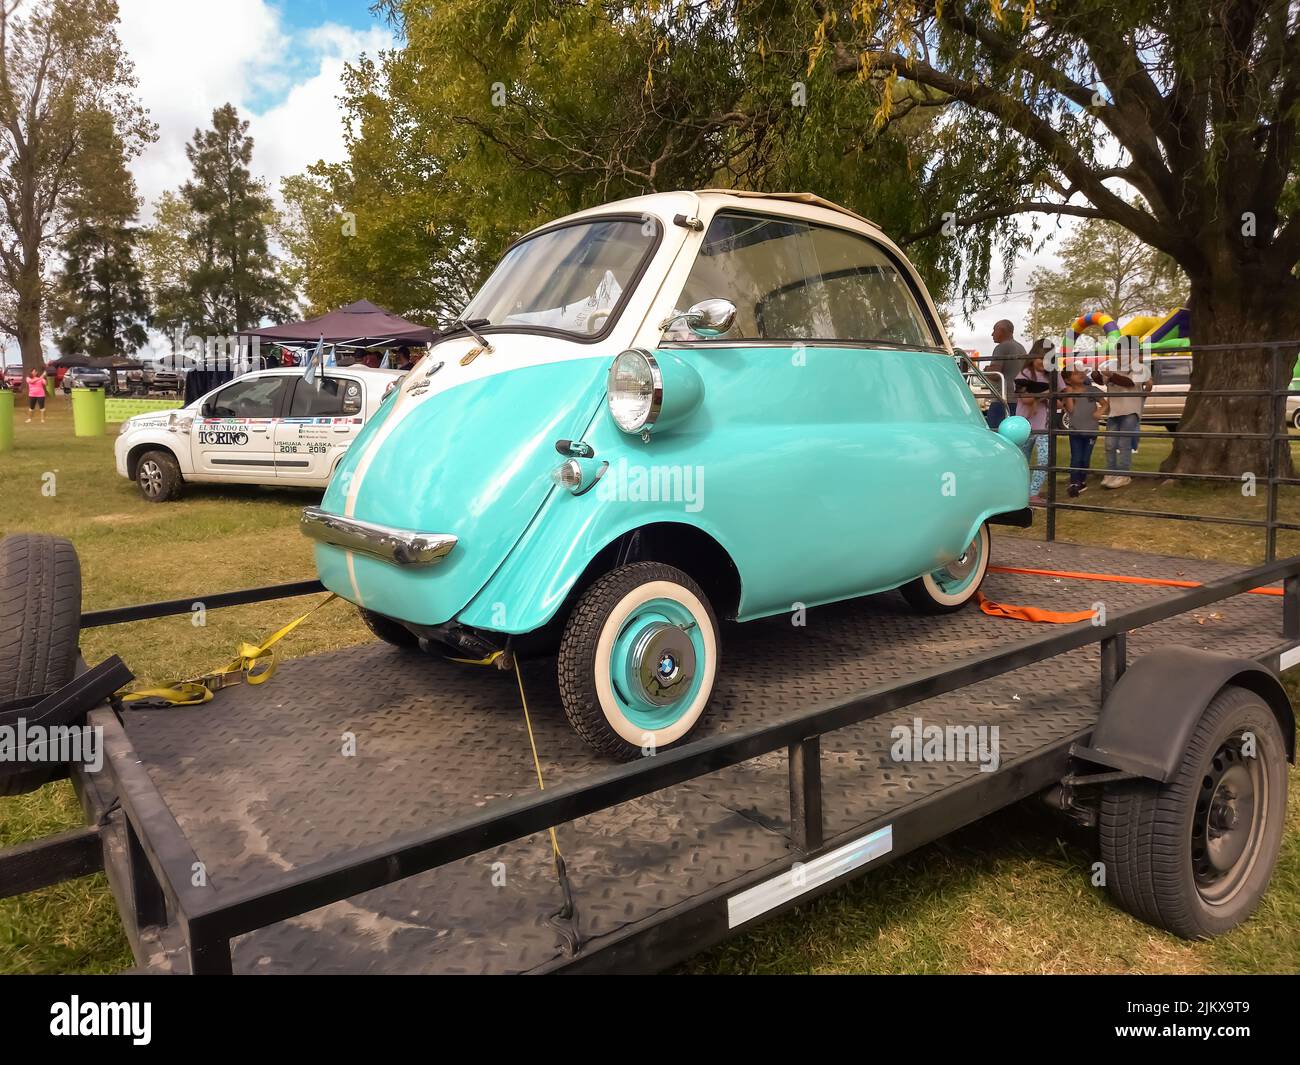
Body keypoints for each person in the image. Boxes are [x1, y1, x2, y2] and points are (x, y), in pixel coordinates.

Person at [1098, 351, 1152, 488]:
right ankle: (1110, 473)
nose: (1121, 356)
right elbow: (1101, 380)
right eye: (1119, 353)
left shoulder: (1140, 368)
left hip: (1131, 411)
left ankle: (1123, 475)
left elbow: (1129, 383)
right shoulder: (1112, 365)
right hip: (1114, 411)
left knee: (1124, 443)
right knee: (1109, 444)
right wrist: (1095, 373)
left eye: (1126, 353)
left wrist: (1111, 376)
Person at [1014, 347, 1054, 504]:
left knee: (1044, 459)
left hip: (1043, 425)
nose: (1044, 362)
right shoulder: (1024, 374)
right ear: (1033, 357)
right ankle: (1020, 491)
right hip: (1024, 425)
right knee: (1022, 459)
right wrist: (1045, 394)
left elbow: (1058, 400)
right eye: (1041, 358)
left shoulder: (1052, 377)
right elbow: (1026, 399)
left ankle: (1034, 493)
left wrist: (1042, 397)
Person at [1062, 366, 1107, 497]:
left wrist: (1100, 412)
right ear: (1068, 380)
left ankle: (1082, 481)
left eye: (1081, 372)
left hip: (1091, 431)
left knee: (1085, 458)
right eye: (1075, 373)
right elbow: (1070, 410)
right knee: (1076, 457)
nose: (1080, 374)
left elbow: (1105, 403)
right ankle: (1074, 483)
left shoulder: (1092, 390)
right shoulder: (1068, 392)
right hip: (1075, 431)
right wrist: (1069, 394)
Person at [984, 319, 1027, 429]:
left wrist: (986, 370)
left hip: (1002, 399)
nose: (992, 334)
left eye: (994, 330)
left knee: (995, 434)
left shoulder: (1002, 347)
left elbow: (995, 374)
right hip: (1017, 398)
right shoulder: (1021, 348)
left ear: (1002, 330)